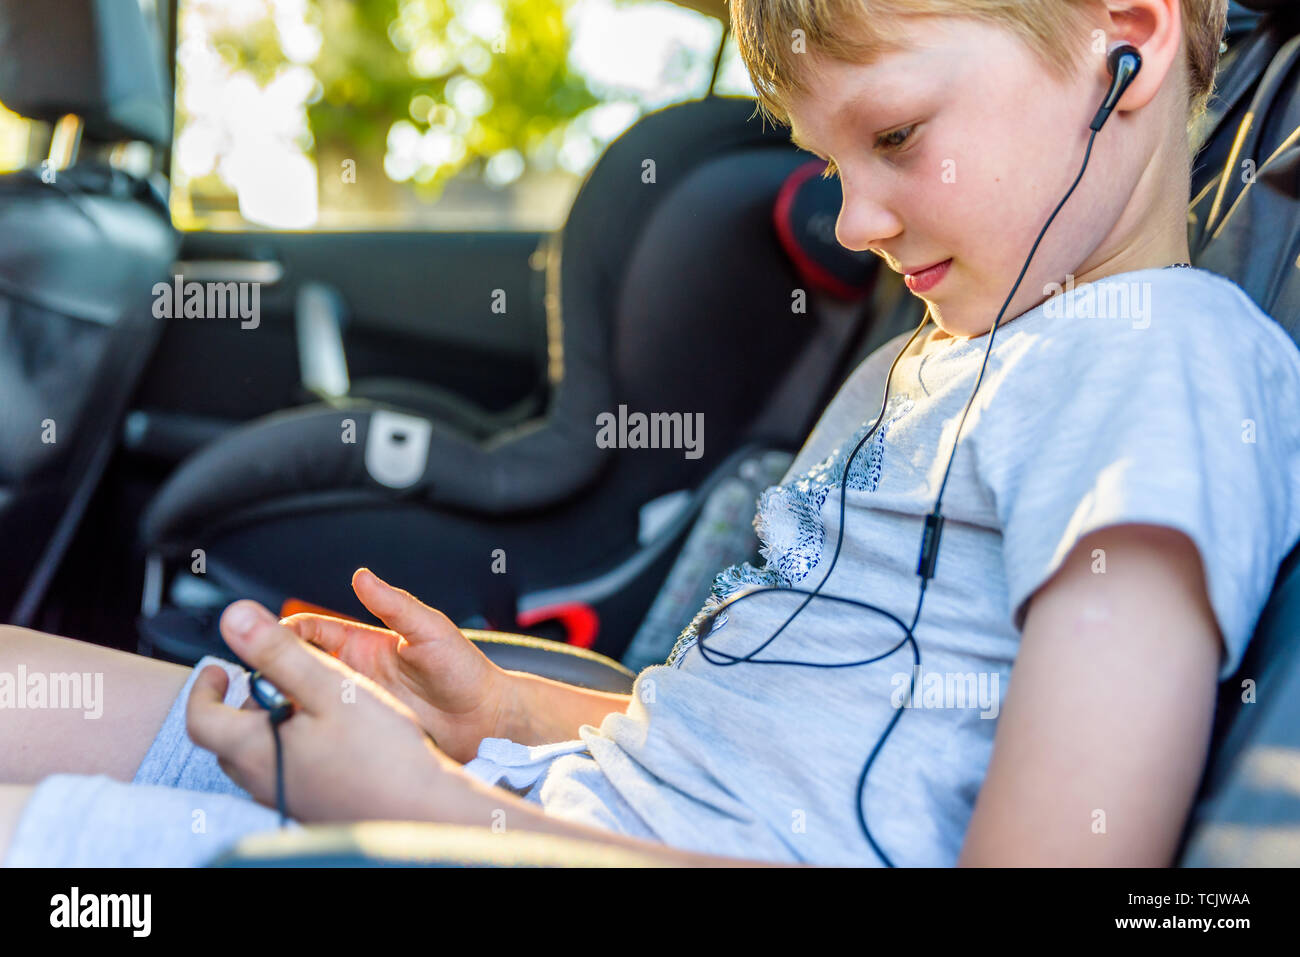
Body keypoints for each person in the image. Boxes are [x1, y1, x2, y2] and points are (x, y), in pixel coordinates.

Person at [3, 0, 1298, 867]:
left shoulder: (1159, 364)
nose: (853, 221)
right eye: (829, 159)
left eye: (897, 135)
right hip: (531, 801)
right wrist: (499, 705)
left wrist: (428, 810)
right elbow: (765, 724)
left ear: (1126, 31)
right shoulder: (934, 360)